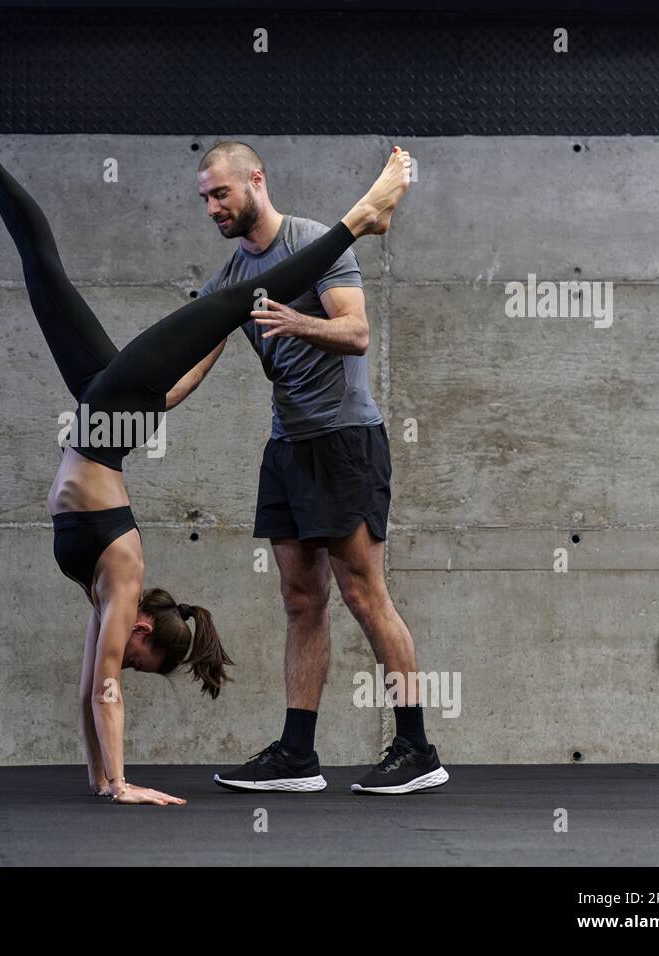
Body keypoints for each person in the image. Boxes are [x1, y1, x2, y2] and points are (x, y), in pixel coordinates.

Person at [0, 103, 411, 803]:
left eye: (215, 195)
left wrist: (101, 778)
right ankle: (367, 214)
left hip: (112, 409)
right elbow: (107, 687)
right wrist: (120, 785)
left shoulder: (110, 589)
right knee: (238, 300)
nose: (129, 663)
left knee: (42, 273)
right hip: (123, 405)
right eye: (145, 658)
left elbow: (91, 684)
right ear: (146, 627)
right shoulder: (123, 573)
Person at [180, 141, 447, 795]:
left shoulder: (314, 244)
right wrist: (124, 410)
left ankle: (417, 747)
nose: (213, 207)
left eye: (222, 193)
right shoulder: (227, 282)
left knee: (364, 594)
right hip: (288, 448)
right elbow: (192, 365)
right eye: (205, 199)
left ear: (255, 181)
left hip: (344, 439)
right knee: (302, 601)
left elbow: (356, 333)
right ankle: (298, 754)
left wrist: (297, 322)